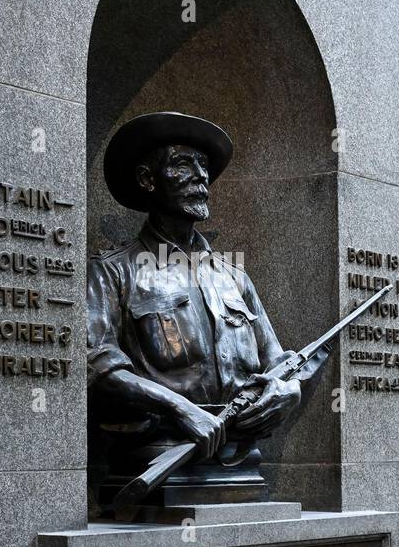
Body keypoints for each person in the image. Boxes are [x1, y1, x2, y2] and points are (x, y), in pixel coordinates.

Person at [87, 112, 301, 465]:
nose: (201, 175)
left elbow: (277, 359)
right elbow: (97, 367)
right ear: (147, 178)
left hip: (241, 459)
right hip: (160, 458)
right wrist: (180, 410)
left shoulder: (234, 277)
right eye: (183, 163)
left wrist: (287, 391)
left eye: (203, 165)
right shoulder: (112, 271)